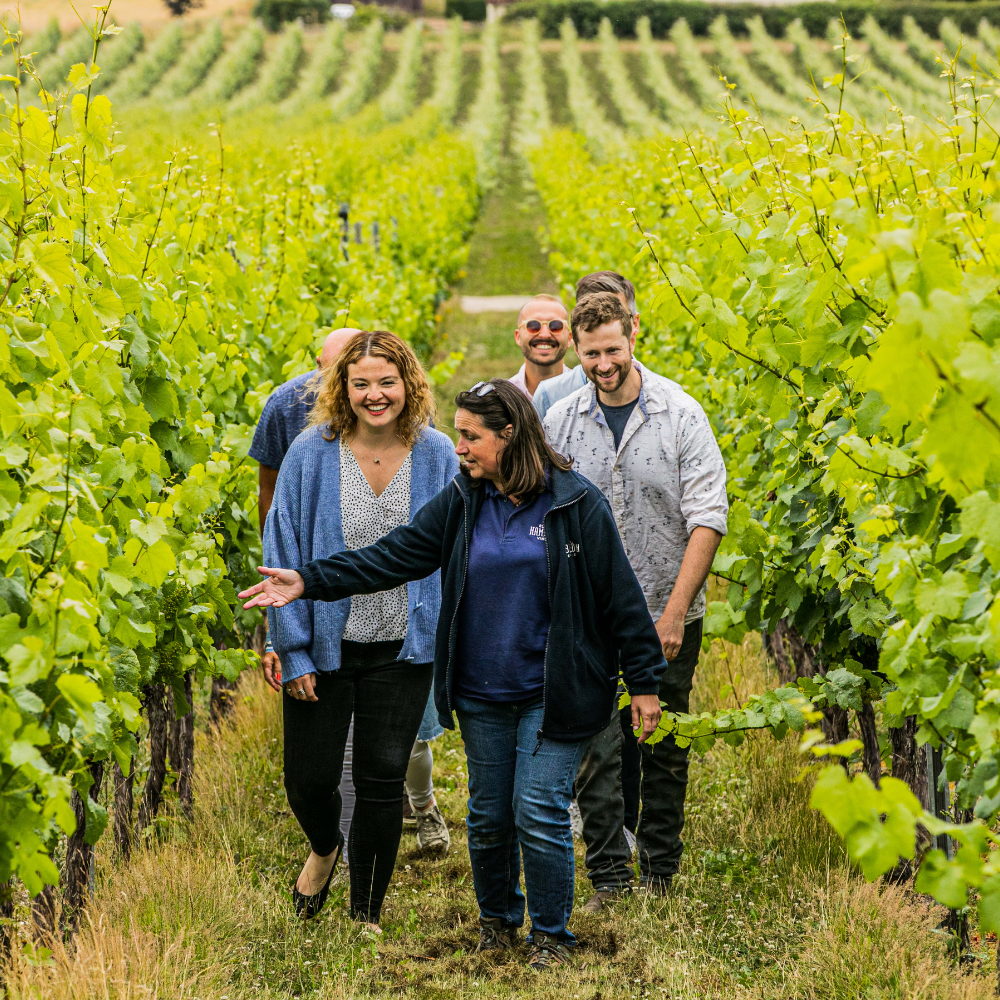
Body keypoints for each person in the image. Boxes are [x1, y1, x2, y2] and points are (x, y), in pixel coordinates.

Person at [239, 379, 668, 971]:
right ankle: (498, 923)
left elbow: (621, 598)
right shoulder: (465, 500)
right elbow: (393, 555)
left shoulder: (575, 504)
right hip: (481, 691)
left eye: (471, 436)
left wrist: (643, 683)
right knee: (488, 817)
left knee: (537, 809)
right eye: (459, 434)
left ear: (508, 435)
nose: (458, 447)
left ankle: (551, 935)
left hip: (554, 690)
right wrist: (308, 580)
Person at [259, 330, 459, 928]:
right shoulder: (310, 452)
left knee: (381, 781)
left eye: (387, 382)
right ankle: (325, 847)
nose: (376, 395)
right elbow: (282, 551)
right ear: (341, 388)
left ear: (409, 385)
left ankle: (364, 914)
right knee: (308, 782)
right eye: (361, 383)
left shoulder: (437, 454)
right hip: (326, 649)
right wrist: (292, 649)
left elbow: (456, 550)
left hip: (404, 648)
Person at [543, 291, 728, 911]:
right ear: (575, 349)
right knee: (597, 747)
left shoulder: (681, 414)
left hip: (664, 606)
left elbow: (707, 517)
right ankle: (610, 876)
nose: (603, 364)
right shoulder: (561, 421)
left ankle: (659, 868)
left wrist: (673, 614)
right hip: (588, 616)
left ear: (632, 337)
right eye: (591, 353)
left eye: (612, 350)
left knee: (663, 743)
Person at [532, 271, 639, 421]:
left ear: (635, 324)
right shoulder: (549, 397)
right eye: (591, 316)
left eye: (617, 315)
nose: (601, 325)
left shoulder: (666, 397)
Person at [508, 294, 576, 400]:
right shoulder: (502, 400)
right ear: (518, 337)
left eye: (555, 326)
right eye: (533, 326)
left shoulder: (587, 395)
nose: (545, 334)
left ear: (569, 338)